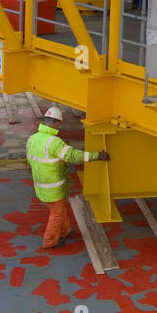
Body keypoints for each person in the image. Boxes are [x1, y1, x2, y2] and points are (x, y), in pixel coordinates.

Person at [26, 106, 109, 250]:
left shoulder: (33, 139)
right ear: (57, 123)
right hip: (53, 186)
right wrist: (98, 156)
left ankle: (65, 231)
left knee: (60, 208)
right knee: (57, 214)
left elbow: (30, 160)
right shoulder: (54, 142)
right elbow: (73, 156)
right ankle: (49, 241)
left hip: (41, 184)